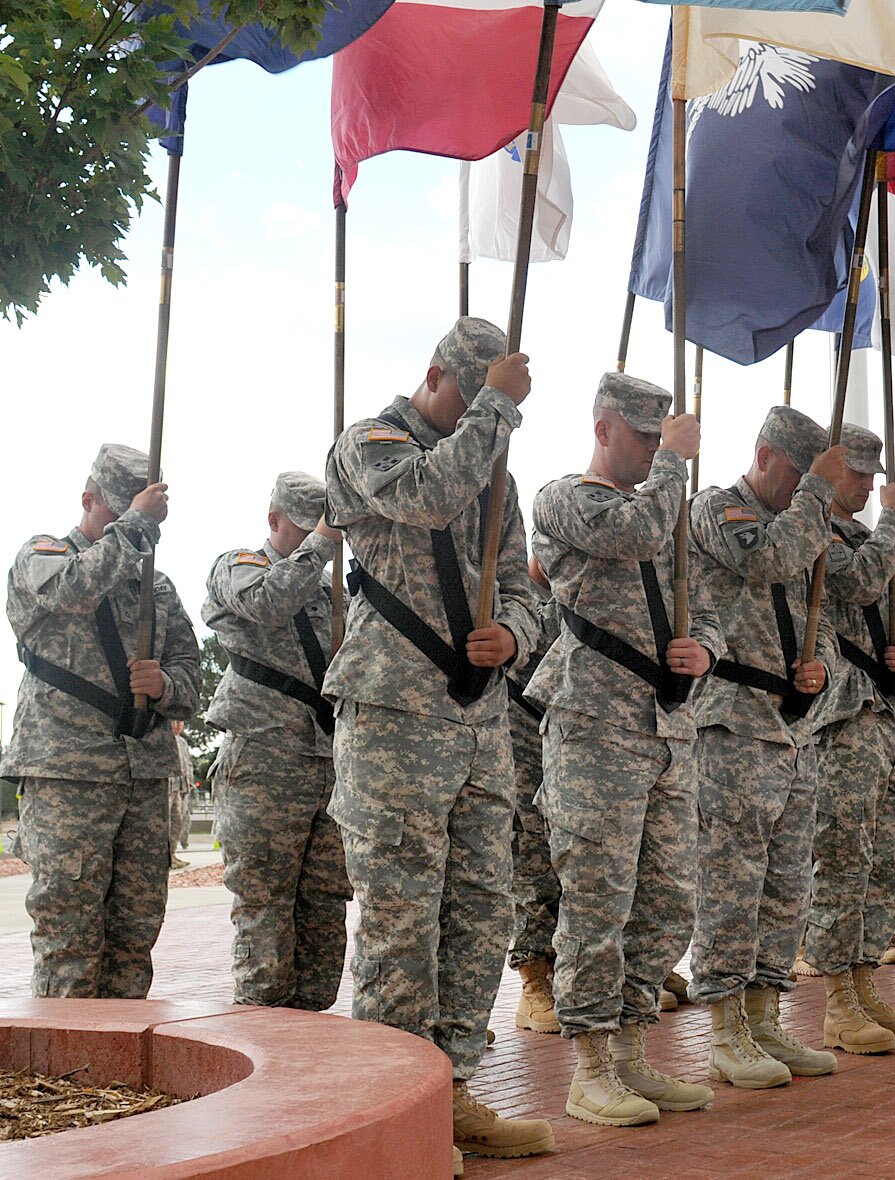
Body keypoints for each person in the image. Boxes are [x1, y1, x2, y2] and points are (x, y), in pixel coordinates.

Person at [324, 317, 552, 1170]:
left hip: (478, 722)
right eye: (466, 395)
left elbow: (528, 587)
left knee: (480, 913)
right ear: (433, 375)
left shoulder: (495, 468)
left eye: (484, 399)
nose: (476, 414)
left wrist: (516, 638)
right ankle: (395, 1114)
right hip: (394, 717)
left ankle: (449, 1091)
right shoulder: (369, 443)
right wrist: (497, 408)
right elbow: (425, 496)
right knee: (399, 920)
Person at [529, 372, 718, 1123]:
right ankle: (588, 1066)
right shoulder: (562, 499)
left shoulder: (665, 513)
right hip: (594, 726)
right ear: (604, 428)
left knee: (669, 900)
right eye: (643, 436)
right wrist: (675, 463)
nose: (651, 449)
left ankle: (634, 1051)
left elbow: (703, 608)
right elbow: (631, 532)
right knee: (597, 902)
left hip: (666, 731)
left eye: (659, 436)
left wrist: (703, 647)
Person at [3, 443, 199, 998]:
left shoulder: (155, 585)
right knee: (69, 928)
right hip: (69, 772)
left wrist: (165, 686)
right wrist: (138, 522)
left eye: (138, 513)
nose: (131, 527)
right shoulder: (42, 558)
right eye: (118, 511)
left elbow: (190, 669)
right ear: (88, 499)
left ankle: (123, 1074)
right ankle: (71, 1068)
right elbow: (75, 589)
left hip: (143, 773)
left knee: (135, 932)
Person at [688, 404, 842, 1087]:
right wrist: (818, 496)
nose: (806, 489)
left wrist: (823, 670)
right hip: (733, 724)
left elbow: (822, 624)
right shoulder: (720, 511)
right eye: (801, 475)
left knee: (784, 886)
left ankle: (764, 1017)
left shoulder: (807, 526)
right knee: (733, 882)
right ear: (765, 455)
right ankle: (724, 1031)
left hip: (792, 727)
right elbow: (768, 562)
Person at [202, 470, 348, 1010]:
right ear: (274, 520)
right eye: (306, 526)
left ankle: (311, 1029)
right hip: (265, 760)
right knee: (265, 902)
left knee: (326, 903)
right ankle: (266, 1030)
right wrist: (321, 544)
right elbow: (267, 604)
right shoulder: (240, 567)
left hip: (329, 766)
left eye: (325, 525)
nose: (319, 536)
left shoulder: (335, 593)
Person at [802, 424, 895, 1051]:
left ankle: (864, 979)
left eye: (875, 475)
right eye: (858, 472)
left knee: (886, 861)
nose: (871, 484)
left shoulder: (870, 536)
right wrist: (892, 521)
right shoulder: (815, 529)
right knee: (844, 857)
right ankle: (836, 998)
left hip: (888, 714)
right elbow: (855, 583)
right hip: (845, 716)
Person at [502, 566, 560, 1035]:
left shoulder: (580, 593)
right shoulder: (516, 599)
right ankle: (535, 980)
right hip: (521, 740)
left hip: (570, 740)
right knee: (533, 856)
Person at [168, 720, 194, 869]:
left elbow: (187, 764)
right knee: (167, 823)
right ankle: (165, 857)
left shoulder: (182, 742)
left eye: (180, 722)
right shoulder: (165, 738)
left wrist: (189, 782)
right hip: (168, 787)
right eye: (174, 722)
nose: (177, 726)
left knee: (178, 822)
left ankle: (172, 853)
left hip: (180, 788)